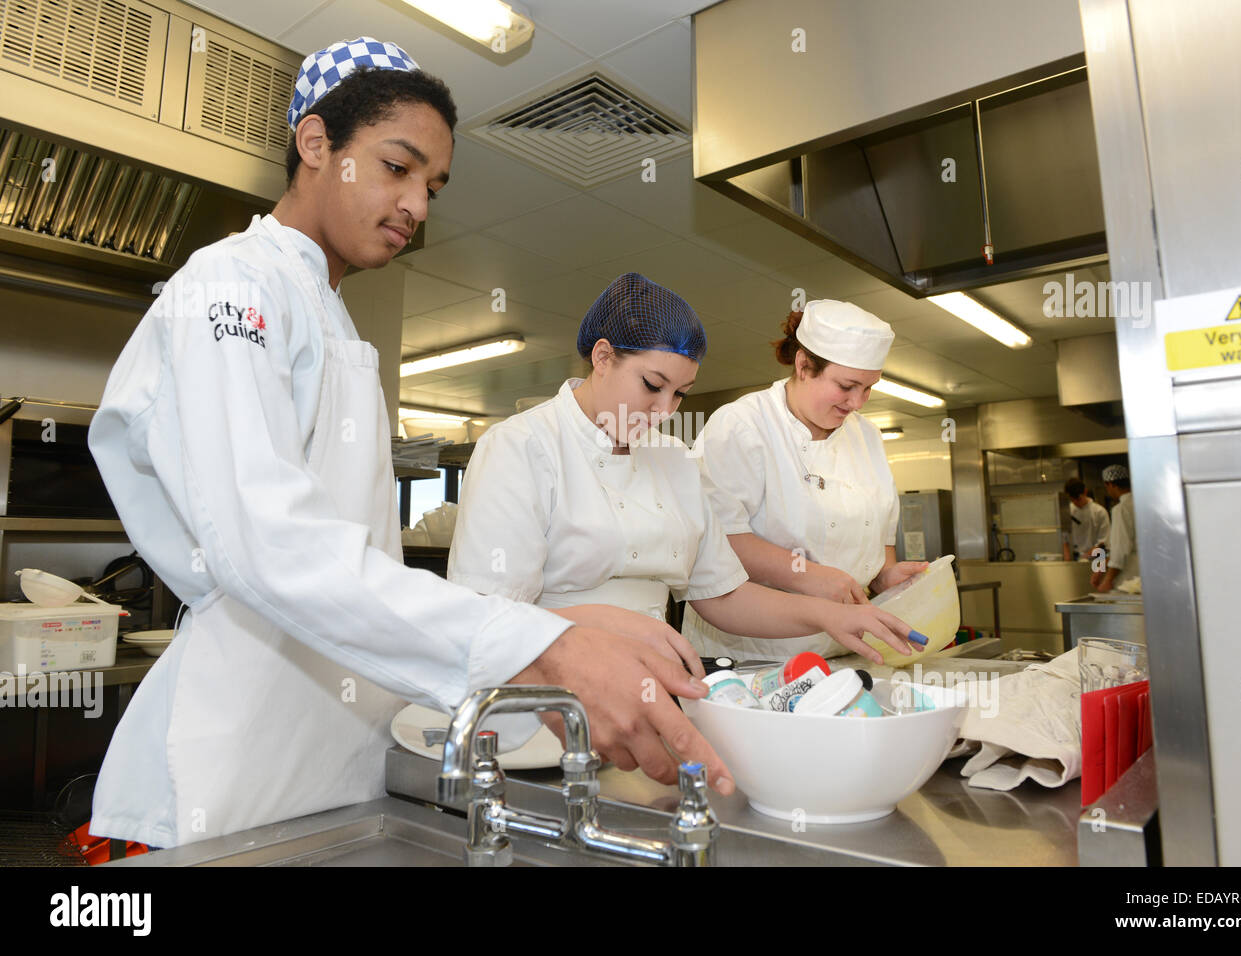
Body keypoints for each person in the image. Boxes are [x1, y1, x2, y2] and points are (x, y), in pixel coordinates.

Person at [85, 40, 729, 850]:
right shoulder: (231, 288)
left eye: (433, 186)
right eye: (398, 167)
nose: (419, 206)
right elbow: (268, 545)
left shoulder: (333, 321)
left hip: (341, 763)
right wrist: (541, 648)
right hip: (236, 773)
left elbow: (361, 575)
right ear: (316, 145)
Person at [448, 275, 924, 720]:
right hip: (545, 697)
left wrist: (830, 616)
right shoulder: (521, 447)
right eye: (652, 386)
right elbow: (488, 614)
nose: (663, 411)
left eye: (680, 394)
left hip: (654, 687)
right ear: (602, 357)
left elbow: (723, 595)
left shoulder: (672, 459)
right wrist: (620, 623)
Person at [681, 301, 930, 661]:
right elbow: (720, 541)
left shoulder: (868, 437)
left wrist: (883, 577)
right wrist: (810, 575)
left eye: (868, 388)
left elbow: (879, 539)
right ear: (803, 366)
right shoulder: (742, 426)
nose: (858, 402)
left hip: (844, 650)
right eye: (847, 386)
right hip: (754, 654)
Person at [1092, 464, 1139, 592]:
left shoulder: (1121, 509)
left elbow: (1120, 549)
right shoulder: (1141, 503)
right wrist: (1100, 568)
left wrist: (1107, 579)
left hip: (1130, 579)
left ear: (1111, 484)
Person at [1063, 477, 1110, 562]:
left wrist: (1085, 557)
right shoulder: (1067, 512)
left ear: (1085, 491)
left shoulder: (1099, 512)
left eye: (1078, 499)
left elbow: (1103, 542)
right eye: (1072, 500)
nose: (1076, 502)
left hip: (1097, 560)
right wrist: (1068, 561)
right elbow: (1064, 539)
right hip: (1075, 560)